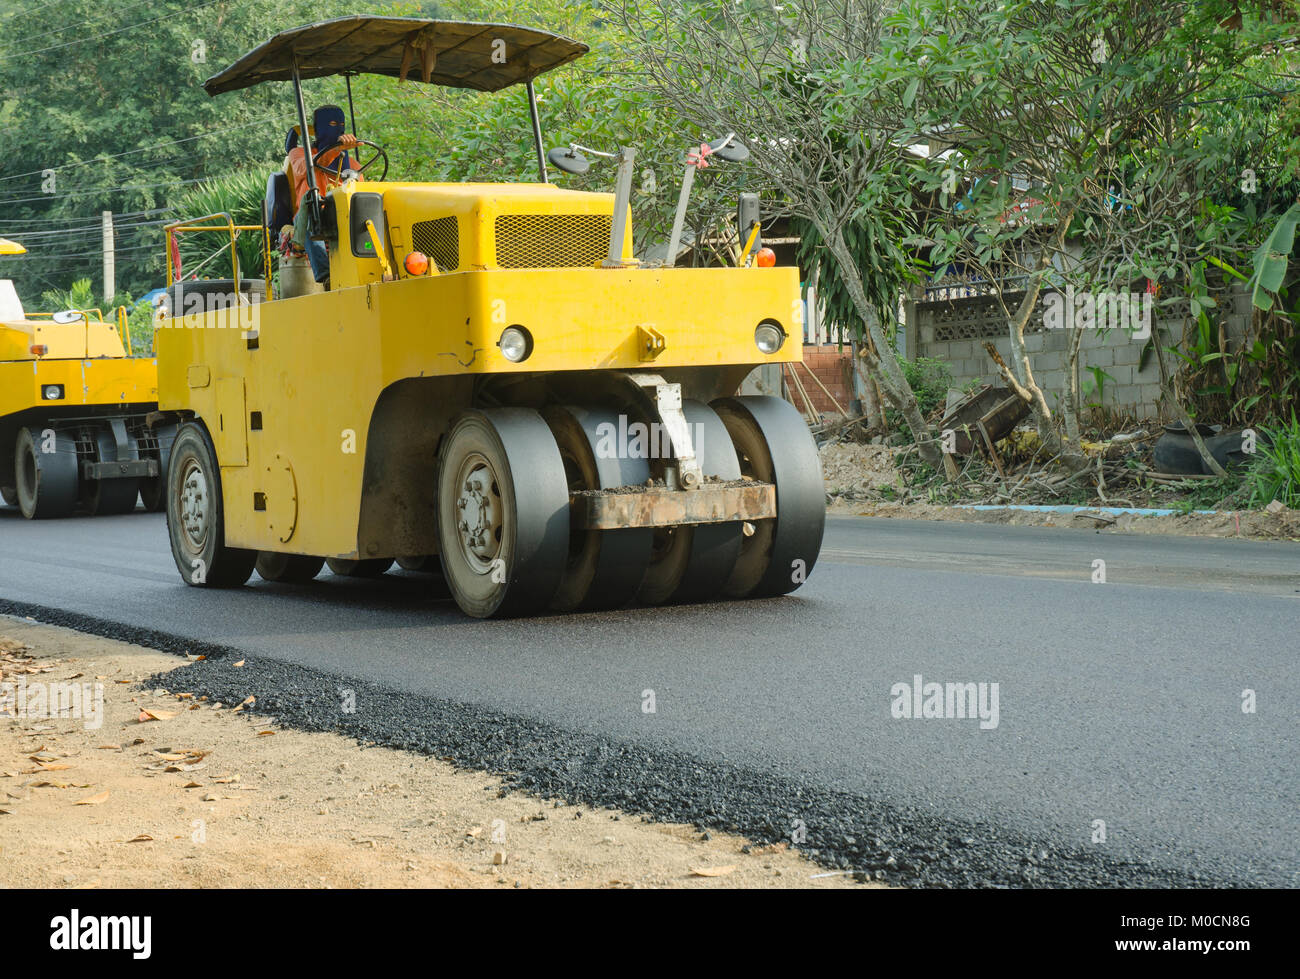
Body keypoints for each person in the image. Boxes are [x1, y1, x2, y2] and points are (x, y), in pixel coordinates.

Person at [286, 105, 360, 286]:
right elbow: (306, 168)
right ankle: (327, 277)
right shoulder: (299, 154)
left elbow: (361, 189)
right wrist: (335, 150)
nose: (338, 129)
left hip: (342, 212)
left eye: (341, 125)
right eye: (332, 124)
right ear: (318, 129)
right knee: (312, 203)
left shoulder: (351, 163)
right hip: (313, 214)